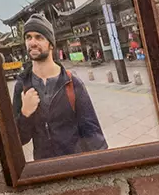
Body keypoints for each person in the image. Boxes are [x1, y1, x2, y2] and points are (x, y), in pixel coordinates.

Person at [10, 15, 107, 159]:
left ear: (51, 44)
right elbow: (19, 139)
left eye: (39, 37)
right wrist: (25, 113)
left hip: (74, 162)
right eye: (28, 37)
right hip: (45, 166)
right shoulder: (22, 86)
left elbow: (92, 132)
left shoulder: (72, 83)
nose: (32, 42)